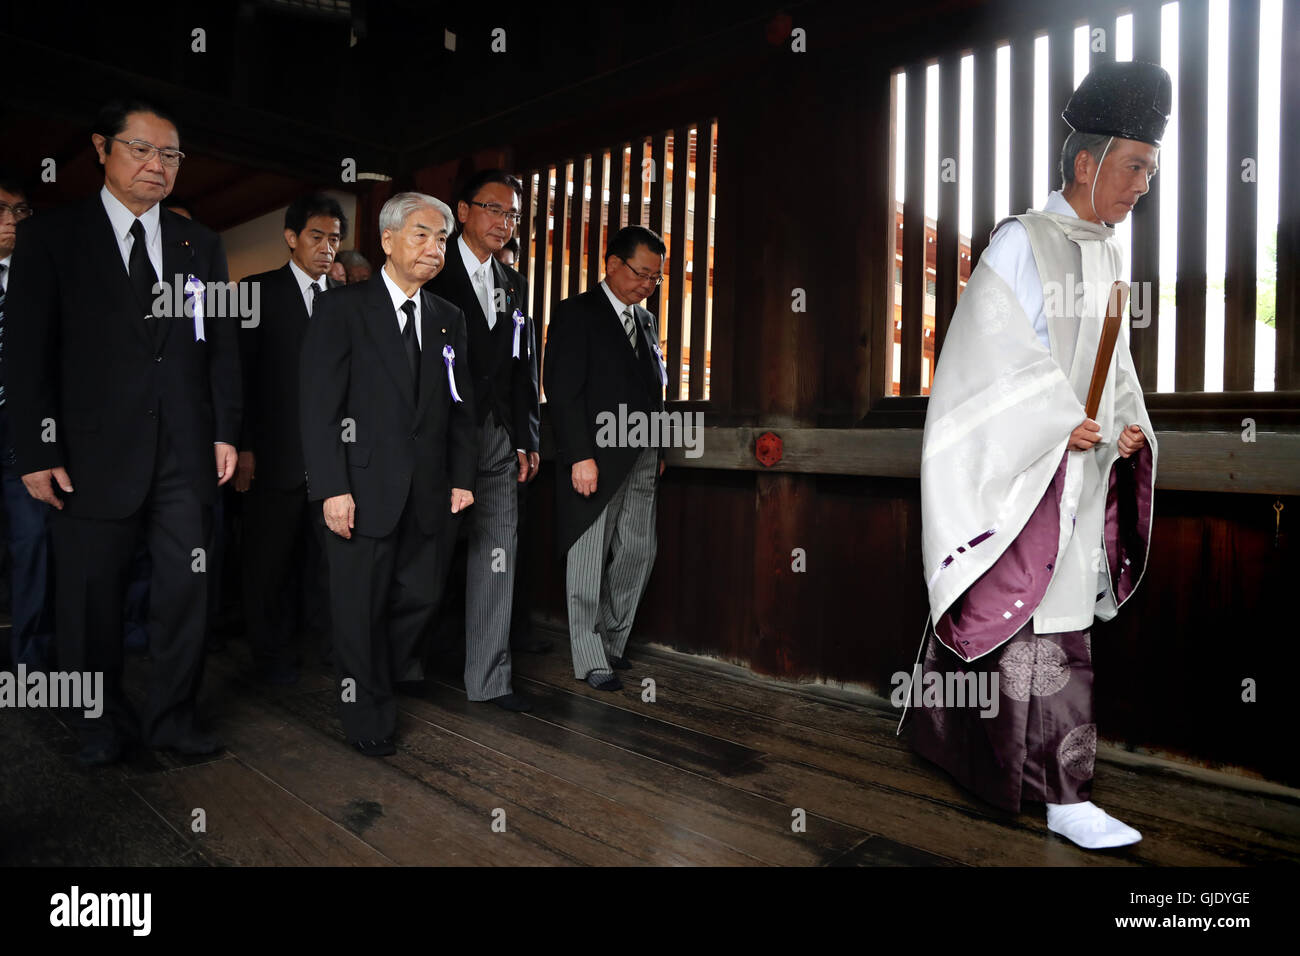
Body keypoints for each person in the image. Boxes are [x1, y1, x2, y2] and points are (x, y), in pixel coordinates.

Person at [903, 61, 1168, 849]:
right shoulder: (1022, 241)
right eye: (1134, 168)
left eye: (1151, 172)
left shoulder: (1109, 257)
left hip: (1077, 470)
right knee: (1022, 623)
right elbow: (983, 358)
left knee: (1052, 629)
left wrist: (1124, 424)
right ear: (1087, 163)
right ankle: (1059, 793)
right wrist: (1057, 421)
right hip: (1025, 470)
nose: (1142, 186)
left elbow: (1111, 365)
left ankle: (1037, 779)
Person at [6, 97, 241, 765]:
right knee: (89, 601)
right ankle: (99, 727)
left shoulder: (202, 243)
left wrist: (225, 431)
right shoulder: (52, 237)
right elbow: (26, 355)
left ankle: (172, 719)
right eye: (140, 148)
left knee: (185, 593)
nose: (156, 165)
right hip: (87, 455)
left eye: (169, 154)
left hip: (187, 453)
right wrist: (38, 449)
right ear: (102, 150)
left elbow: (218, 344)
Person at [299, 192, 477, 756]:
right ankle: (366, 712)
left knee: (421, 598)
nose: (434, 248)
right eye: (421, 235)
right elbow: (319, 407)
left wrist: (462, 477)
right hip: (359, 486)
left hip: (428, 492)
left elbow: (462, 409)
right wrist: (331, 487)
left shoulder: (448, 318)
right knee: (357, 609)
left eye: (442, 238)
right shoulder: (342, 309)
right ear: (388, 241)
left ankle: (386, 668)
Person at [425, 170, 541, 710]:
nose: (505, 222)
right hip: (442, 437)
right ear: (463, 211)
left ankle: (490, 680)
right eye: (494, 209)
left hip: (498, 436)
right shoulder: (432, 270)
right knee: (426, 556)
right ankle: (403, 662)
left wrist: (526, 435)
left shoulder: (515, 283)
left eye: (514, 214)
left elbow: (523, 366)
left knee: (499, 554)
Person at [544, 225, 667, 691]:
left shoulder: (647, 321)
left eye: (655, 278)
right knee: (588, 555)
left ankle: (614, 641)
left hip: (641, 452)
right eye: (641, 273)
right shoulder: (576, 313)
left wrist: (658, 448)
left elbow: (653, 390)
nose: (647, 284)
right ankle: (589, 655)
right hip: (594, 456)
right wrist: (579, 455)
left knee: (639, 549)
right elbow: (562, 390)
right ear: (611, 264)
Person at [236, 193, 346, 683]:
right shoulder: (255, 292)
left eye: (335, 239)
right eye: (317, 237)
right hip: (273, 453)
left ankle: (328, 647)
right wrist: (242, 446)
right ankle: (270, 656)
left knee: (327, 562)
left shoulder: (347, 302)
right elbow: (238, 377)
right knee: (270, 561)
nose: (327, 248)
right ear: (292, 238)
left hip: (333, 459)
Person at [0, 177, 54, 671]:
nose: (13, 219)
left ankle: (31, 661)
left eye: (21, 210)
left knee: (33, 544)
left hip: (25, 440)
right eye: (2, 209)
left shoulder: (45, 278)